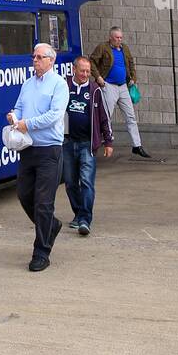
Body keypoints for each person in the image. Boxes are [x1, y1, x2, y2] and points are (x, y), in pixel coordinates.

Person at [7, 42, 69, 272]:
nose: (35, 60)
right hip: (28, 149)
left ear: (51, 60)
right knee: (24, 195)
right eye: (33, 56)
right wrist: (14, 117)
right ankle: (50, 225)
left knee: (44, 202)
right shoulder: (27, 84)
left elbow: (55, 116)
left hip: (49, 150)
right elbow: (19, 107)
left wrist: (27, 124)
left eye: (39, 57)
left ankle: (41, 252)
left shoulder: (59, 85)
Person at [62, 55, 113, 236]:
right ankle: (78, 213)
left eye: (88, 71)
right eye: (82, 71)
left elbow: (104, 118)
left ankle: (85, 219)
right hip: (67, 143)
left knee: (86, 182)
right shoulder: (64, 87)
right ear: (74, 69)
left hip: (87, 144)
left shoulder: (94, 90)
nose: (85, 74)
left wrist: (108, 141)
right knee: (70, 183)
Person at [89, 26, 151, 157]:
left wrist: (133, 78)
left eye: (121, 37)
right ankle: (96, 142)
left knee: (131, 116)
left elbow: (131, 63)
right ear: (111, 37)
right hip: (109, 85)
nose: (119, 40)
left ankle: (137, 145)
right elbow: (92, 61)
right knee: (105, 116)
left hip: (123, 86)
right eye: (117, 37)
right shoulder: (103, 47)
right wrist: (98, 77)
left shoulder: (125, 48)